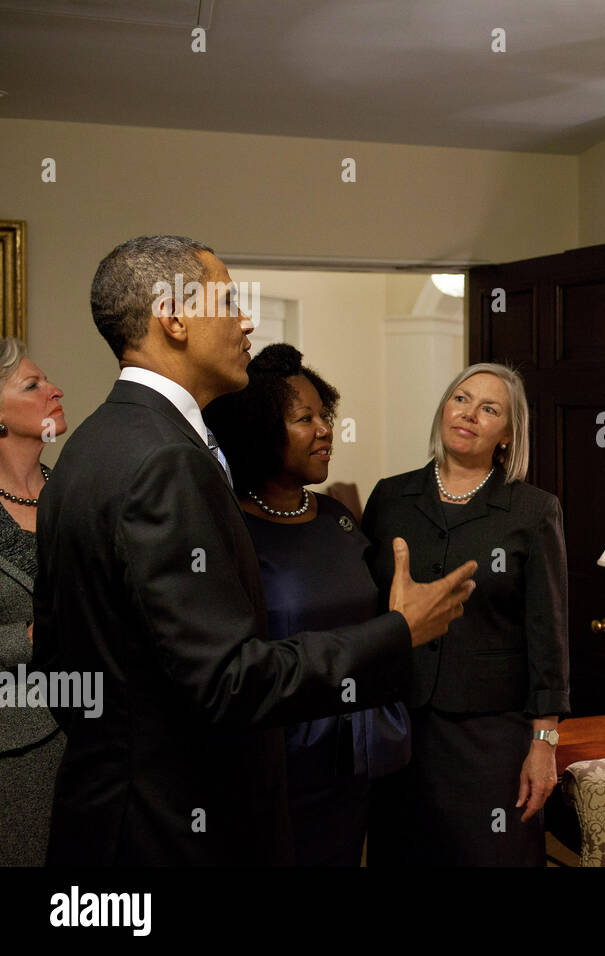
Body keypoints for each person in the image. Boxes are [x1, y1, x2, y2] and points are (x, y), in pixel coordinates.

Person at [32, 235, 477, 865]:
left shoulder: (87, 447)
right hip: (171, 829)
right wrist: (398, 630)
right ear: (175, 317)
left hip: (105, 816)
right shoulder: (166, 460)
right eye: (229, 300)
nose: (247, 320)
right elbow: (230, 683)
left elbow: (59, 668)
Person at [206, 343, 412, 866]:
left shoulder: (337, 518)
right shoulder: (230, 528)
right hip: (270, 763)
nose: (327, 430)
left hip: (351, 760)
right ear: (258, 429)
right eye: (305, 418)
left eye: (326, 415)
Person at [363, 363, 569, 867]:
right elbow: (365, 608)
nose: (469, 414)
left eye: (489, 409)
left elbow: (548, 634)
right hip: (400, 727)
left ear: (508, 434)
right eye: (461, 398)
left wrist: (544, 743)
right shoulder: (391, 496)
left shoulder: (533, 511)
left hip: (491, 739)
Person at [0, 339, 66, 865]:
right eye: (32, 385)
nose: (54, 391)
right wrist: (22, 640)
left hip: (96, 738)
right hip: (12, 752)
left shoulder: (75, 490)